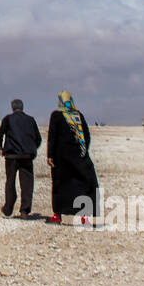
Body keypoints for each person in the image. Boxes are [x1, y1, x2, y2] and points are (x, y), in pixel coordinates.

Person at [46, 91, 99, 225]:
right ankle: (84, 217)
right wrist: (83, 151)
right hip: (79, 157)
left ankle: (57, 216)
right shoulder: (78, 115)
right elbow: (86, 135)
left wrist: (50, 155)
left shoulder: (57, 115)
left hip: (61, 158)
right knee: (83, 185)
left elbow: (52, 136)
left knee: (60, 185)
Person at [0, 98, 41, 218]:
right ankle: (24, 211)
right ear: (22, 107)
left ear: (12, 108)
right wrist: (32, 148)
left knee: (10, 181)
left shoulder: (8, 119)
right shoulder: (31, 120)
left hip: (11, 155)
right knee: (27, 184)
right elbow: (38, 138)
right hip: (27, 155)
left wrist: (0, 147)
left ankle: (8, 208)